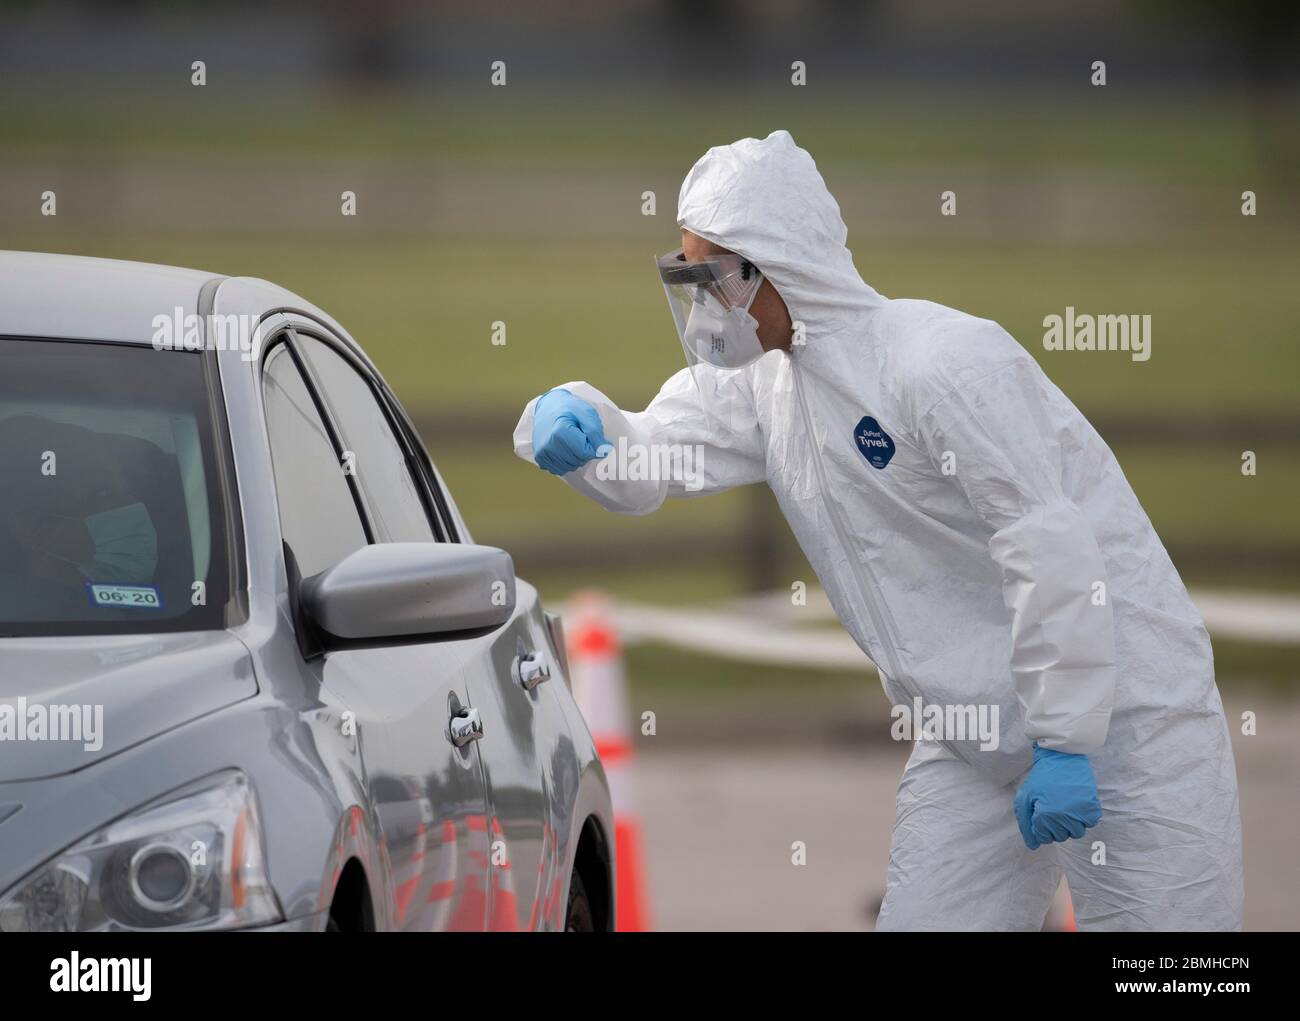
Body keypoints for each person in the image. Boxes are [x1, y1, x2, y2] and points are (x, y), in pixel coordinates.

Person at [513, 130, 1243, 931]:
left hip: (1127, 717)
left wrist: (1067, 738)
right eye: (687, 278)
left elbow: (1048, 548)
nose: (702, 307)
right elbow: (656, 454)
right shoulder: (771, 388)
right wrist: (581, 432)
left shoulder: (937, 363)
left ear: (777, 262)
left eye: (712, 278)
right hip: (975, 738)